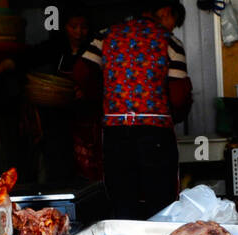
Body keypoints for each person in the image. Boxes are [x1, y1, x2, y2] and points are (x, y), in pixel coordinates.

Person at [75, 4, 192, 218]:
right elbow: (177, 97)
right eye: (173, 23)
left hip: (115, 133)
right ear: (165, 11)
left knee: (122, 202)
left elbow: (81, 73)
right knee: (160, 204)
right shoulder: (170, 42)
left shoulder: (105, 36)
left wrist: (104, 96)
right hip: (155, 135)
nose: (172, 29)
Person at [25, 7, 93, 184]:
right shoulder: (56, 48)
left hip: (86, 118)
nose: (79, 32)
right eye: (73, 26)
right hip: (58, 116)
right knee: (59, 160)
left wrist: (87, 91)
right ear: (64, 27)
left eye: (83, 27)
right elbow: (26, 58)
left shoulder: (94, 48)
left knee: (87, 165)